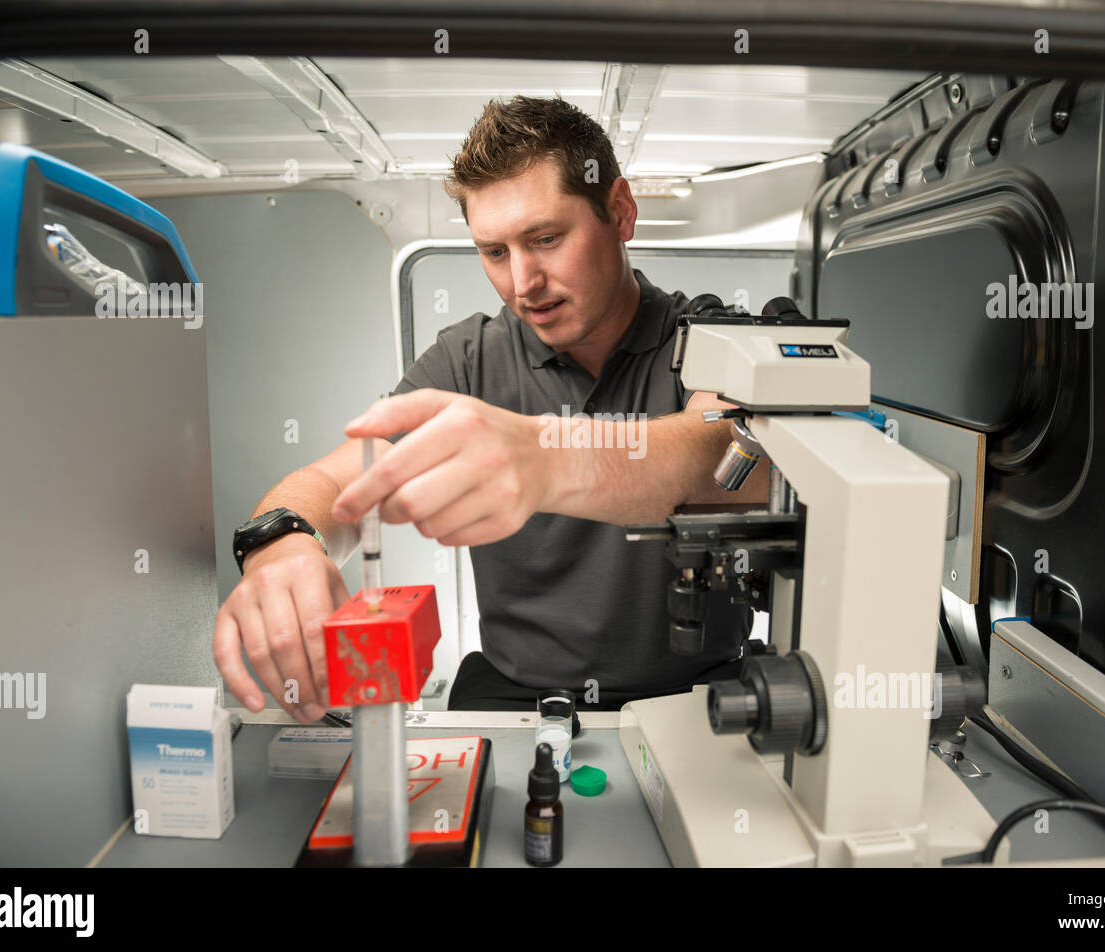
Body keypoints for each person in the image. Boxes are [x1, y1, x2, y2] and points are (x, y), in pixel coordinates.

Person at [213, 94, 769, 720]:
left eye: (546, 238)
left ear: (619, 212)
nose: (523, 282)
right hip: (515, 697)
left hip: (701, 696)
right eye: (495, 252)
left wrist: (542, 456)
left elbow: (723, 454)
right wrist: (283, 543)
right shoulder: (467, 361)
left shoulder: (712, 336)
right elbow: (335, 480)